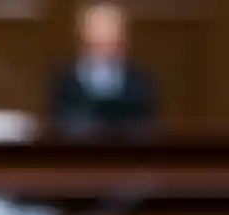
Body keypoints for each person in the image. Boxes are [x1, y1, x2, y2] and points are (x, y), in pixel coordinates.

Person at [50, 1, 156, 133]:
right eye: (97, 45)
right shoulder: (63, 80)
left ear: (125, 41)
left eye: (112, 44)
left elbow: (146, 128)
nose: (105, 52)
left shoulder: (140, 82)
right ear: (81, 40)